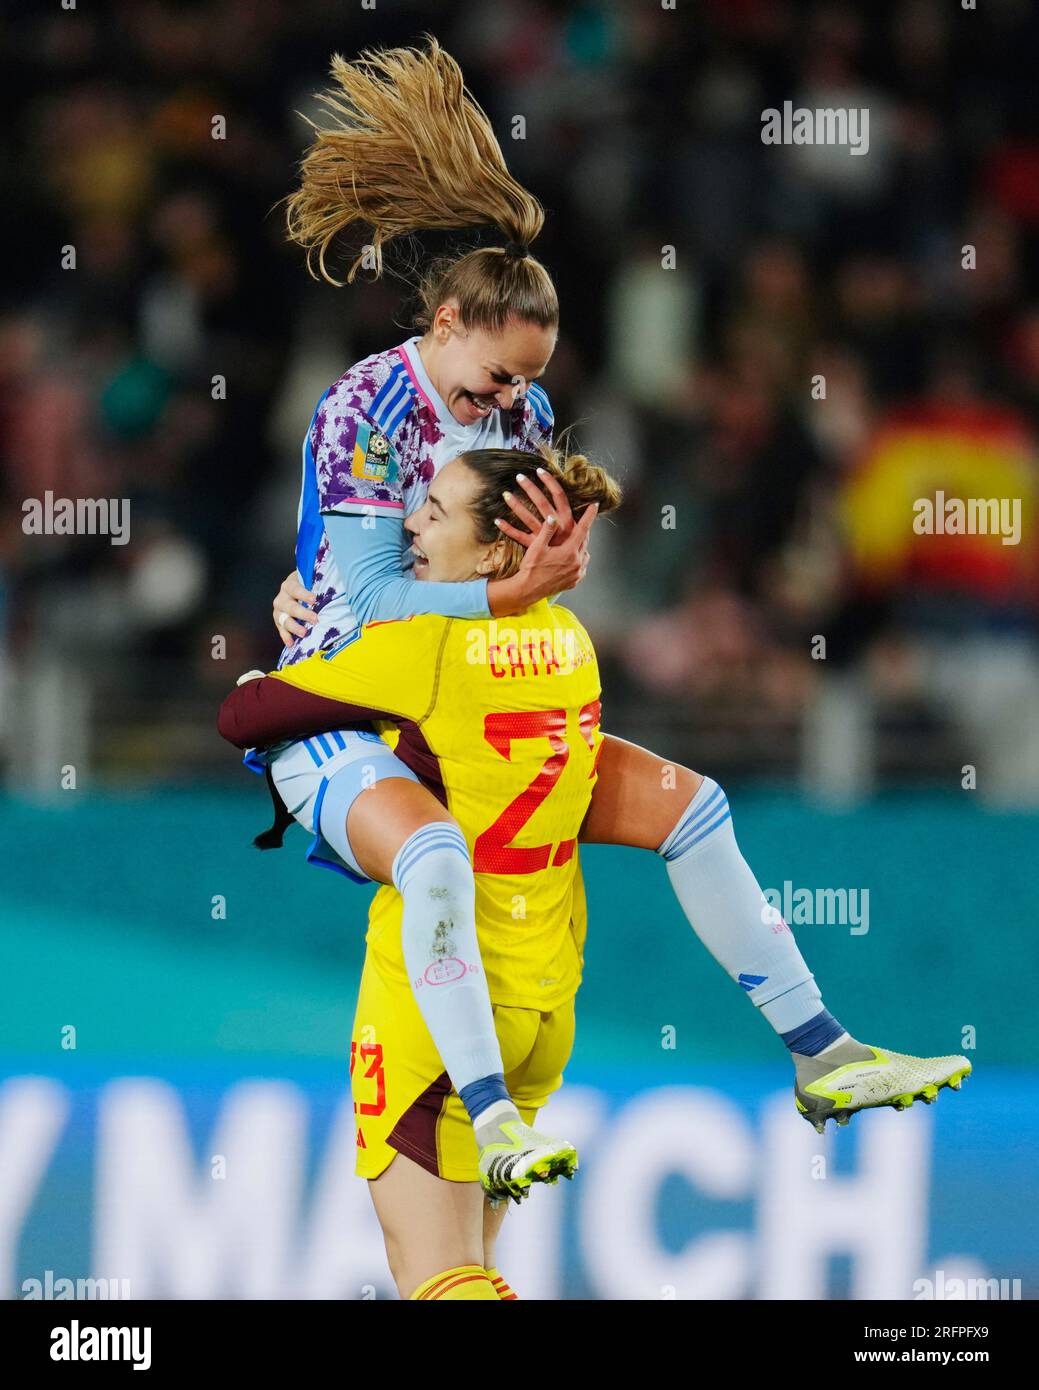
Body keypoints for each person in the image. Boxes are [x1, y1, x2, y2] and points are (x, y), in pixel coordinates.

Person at [265, 39, 971, 1142]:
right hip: (367, 696)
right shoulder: (367, 406)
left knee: (695, 809)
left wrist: (530, 589)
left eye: (533, 379)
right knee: (436, 857)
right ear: (442, 322)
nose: (515, 399)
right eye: (498, 373)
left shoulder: (520, 417)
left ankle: (822, 1050)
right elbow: (368, 587)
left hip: (481, 693)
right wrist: (484, 598)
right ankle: (490, 1113)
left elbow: (497, 567)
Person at [220, 446, 619, 1300]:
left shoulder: (427, 642)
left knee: (435, 1280)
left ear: (491, 555)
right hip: (541, 1004)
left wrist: (279, 654)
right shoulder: (571, 642)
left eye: (432, 512)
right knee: (476, 1271)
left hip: (434, 1006)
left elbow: (247, 715)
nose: (408, 521)